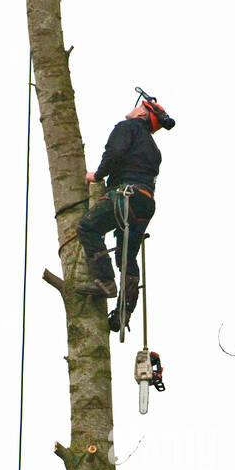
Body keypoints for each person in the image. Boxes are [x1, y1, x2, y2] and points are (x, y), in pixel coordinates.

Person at [76, 95, 174, 331]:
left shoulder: (127, 128)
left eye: (139, 106)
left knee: (87, 227)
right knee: (126, 256)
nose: (134, 108)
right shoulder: (152, 147)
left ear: (143, 113)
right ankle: (124, 312)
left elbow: (114, 153)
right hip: (144, 202)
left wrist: (97, 176)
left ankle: (105, 281)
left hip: (125, 195)